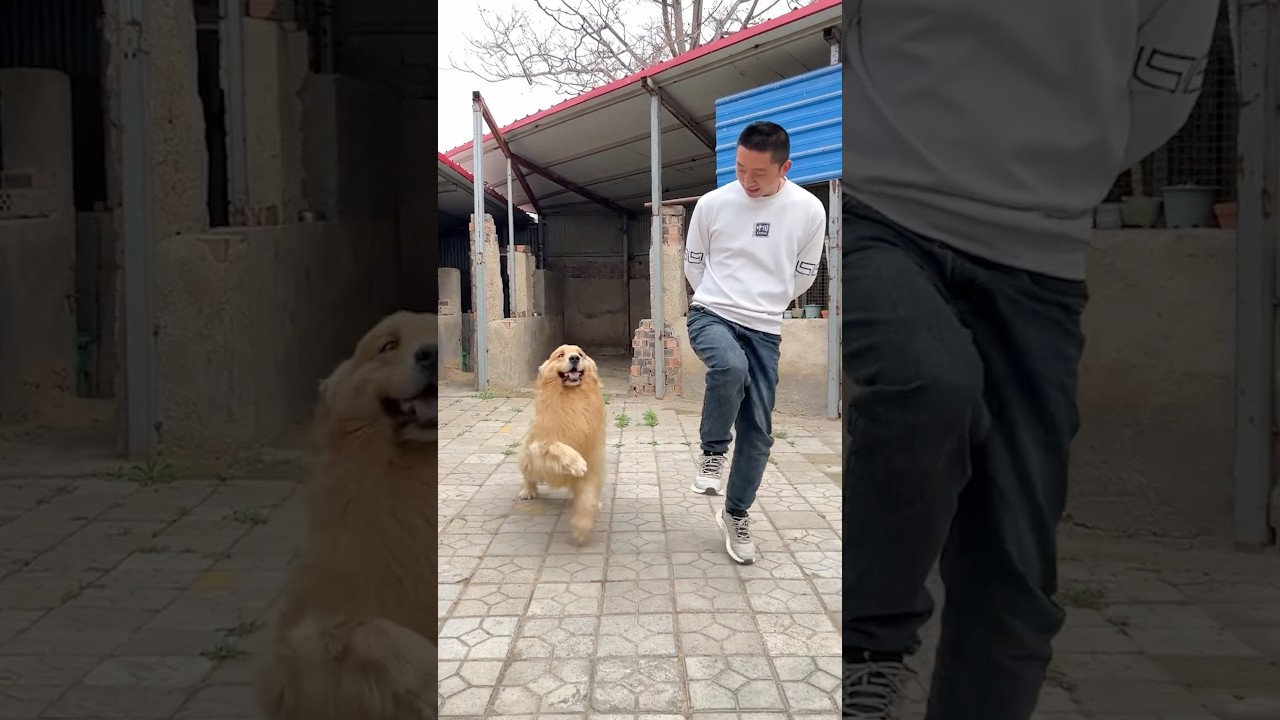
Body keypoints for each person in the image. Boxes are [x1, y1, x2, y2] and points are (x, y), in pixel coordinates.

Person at [840, 1, 1220, 717]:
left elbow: (1164, 88)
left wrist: (1051, 177)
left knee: (1014, 579)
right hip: (877, 209)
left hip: (1037, 251)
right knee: (928, 378)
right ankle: (865, 654)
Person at [683, 120, 827, 565]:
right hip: (711, 313)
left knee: (759, 433)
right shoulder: (712, 204)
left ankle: (736, 513)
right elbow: (694, 263)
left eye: (758, 173)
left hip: (765, 326)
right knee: (729, 367)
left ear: (784, 167)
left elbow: (806, 273)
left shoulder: (808, 210)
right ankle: (711, 454)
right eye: (739, 168)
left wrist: (767, 301)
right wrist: (720, 297)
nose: (746, 180)